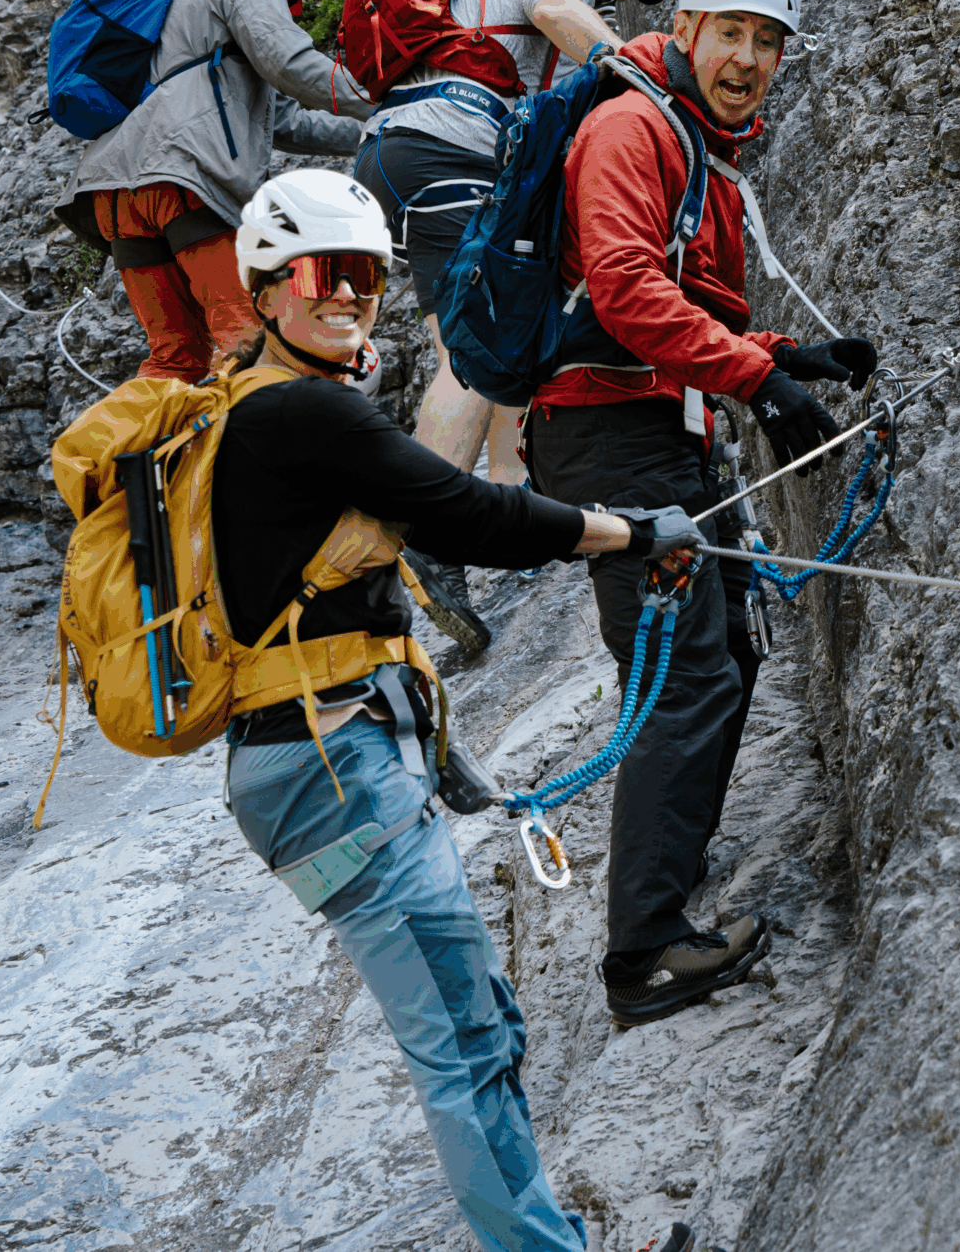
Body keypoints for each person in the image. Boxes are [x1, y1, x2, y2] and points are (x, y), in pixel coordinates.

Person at [214, 168, 708, 1252]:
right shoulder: (298, 409)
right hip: (331, 767)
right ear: (264, 289)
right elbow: (469, 511)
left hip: (324, 758)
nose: (344, 292)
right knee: (463, 1039)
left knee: (473, 1022)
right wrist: (632, 530)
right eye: (317, 273)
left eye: (363, 274)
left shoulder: (264, 404)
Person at [522, 0, 878, 1025]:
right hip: (608, 437)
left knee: (719, 655)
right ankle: (642, 953)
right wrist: (757, 380)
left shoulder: (694, 145)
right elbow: (625, 291)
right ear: (683, 31)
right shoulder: (635, 127)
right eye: (731, 32)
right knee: (682, 675)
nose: (749, 58)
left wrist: (783, 355)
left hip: (646, 428)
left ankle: (665, 864)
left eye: (768, 42)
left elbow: (689, 308)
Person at [353, 0, 677, 652]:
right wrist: (654, 87)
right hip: (450, 149)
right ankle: (423, 537)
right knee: (474, 352)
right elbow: (556, 9)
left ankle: (503, 493)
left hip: (400, 148)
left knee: (479, 335)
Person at [68, 0, 371, 380]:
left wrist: (371, 133)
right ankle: (242, 457)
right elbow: (291, 65)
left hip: (114, 193)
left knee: (174, 356)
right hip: (184, 183)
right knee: (244, 338)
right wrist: (385, 103)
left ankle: (133, 455)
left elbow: (286, 121)